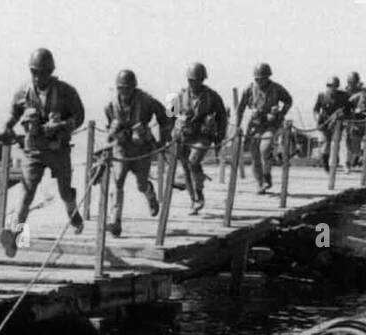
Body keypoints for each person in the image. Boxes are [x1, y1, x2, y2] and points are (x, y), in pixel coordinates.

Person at [0, 47, 85, 258]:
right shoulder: (22, 92)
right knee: (26, 195)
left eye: (43, 72)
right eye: (34, 72)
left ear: (51, 71)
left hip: (58, 150)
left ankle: (74, 216)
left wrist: (62, 126)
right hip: (33, 151)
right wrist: (8, 128)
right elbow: (13, 115)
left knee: (65, 191)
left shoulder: (66, 91)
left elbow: (79, 116)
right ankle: (17, 239)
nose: (38, 77)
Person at [103, 69, 169, 236]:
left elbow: (166, 116)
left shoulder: (147, 101)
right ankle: (115, 221)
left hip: (141, 149)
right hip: (121, 149)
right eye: (120, 88)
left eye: (126, 88)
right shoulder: (110, 105)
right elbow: (109, 128)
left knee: (141, 184)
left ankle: (150, 193)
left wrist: (163, 140)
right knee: (117, 182)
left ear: (133, 88)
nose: (123, 92)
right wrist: (115, 134)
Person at [169, 62, 227, 214]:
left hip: (203, 136)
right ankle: (194, 200)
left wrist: (219, 138)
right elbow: (168, 118)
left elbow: (222, 118)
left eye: (197, 80)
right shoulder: (178, 96)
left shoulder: (212, 96)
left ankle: (199, 193)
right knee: (187, 168)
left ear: (202, 80)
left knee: (193, 161)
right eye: (191, 80)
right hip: (183, 136)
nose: (193, 83)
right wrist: (172, 132)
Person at [237, 62, 291, 195]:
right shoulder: (249, 89)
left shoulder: (276, 88)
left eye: (262, 78)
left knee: (265, 148)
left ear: (268, 77)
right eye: (257, 78)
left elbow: (288, 100)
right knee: (255, 156)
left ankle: (267, 177)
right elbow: (240, 109)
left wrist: (280, 114)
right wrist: (238, 125)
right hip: (255, 125)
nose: (259, 81)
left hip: (270, 125)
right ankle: (260, 183)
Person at [313, 76, 348, 172]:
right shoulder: (322, 95)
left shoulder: (343, 96)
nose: (333, 88)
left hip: (337, 123)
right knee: (325, 143)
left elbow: (348, 109)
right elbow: (316, 109)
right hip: (324, 122)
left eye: (335, 86)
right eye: (330, 86)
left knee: (335, 143)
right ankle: (325, 165)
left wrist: (342, 117)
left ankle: (334, 163)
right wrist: (318, 118)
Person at [348, 80, 366, 167]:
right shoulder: (356, 97)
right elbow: (347, 106)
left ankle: (364, 160)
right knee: (355, 144)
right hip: (357, 123)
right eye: (365, 89)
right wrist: (354, 112)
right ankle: (358, 157)